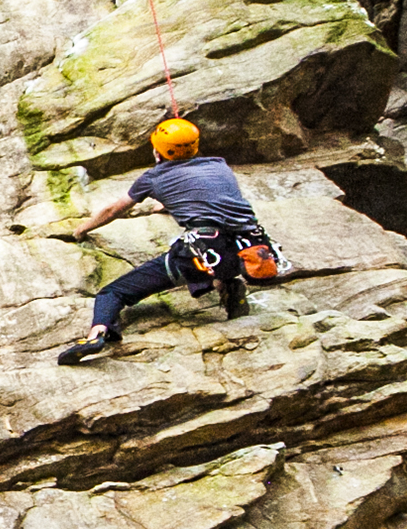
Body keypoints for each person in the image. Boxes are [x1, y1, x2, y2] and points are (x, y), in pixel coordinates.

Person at [53, 118, 280, 366]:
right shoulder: (219, 166)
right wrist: (168, 204)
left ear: (157, 150)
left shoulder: (154, 178)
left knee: (113, 292)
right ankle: (229, 288)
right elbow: (208, 196)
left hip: (202, 254)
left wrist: (82, 229)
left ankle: (97, 334)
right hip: (251, 248)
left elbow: (113, 210)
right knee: (210, 256)